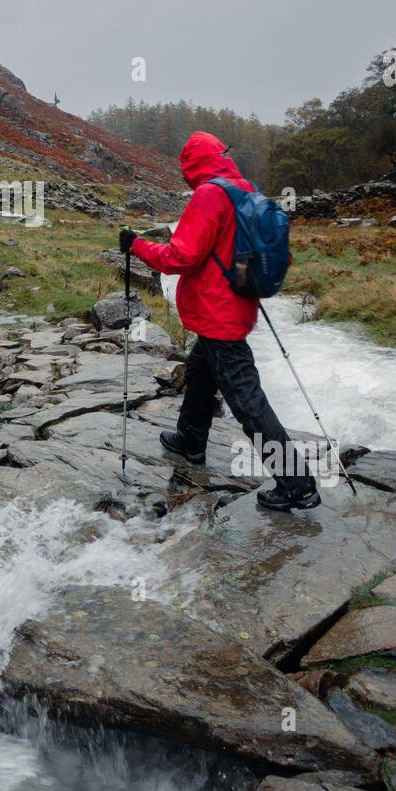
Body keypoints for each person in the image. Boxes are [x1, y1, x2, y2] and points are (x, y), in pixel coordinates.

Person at [119, 130, 320, 512]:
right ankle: (190, 441)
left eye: (184, 167)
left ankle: (298, 484)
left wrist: (137, 244)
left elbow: (182, 257)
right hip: (233, 305)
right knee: (199, 372)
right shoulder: (243, 188)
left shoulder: (211, 194)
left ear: (192, 164)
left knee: (247, 401)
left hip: (218, 314)